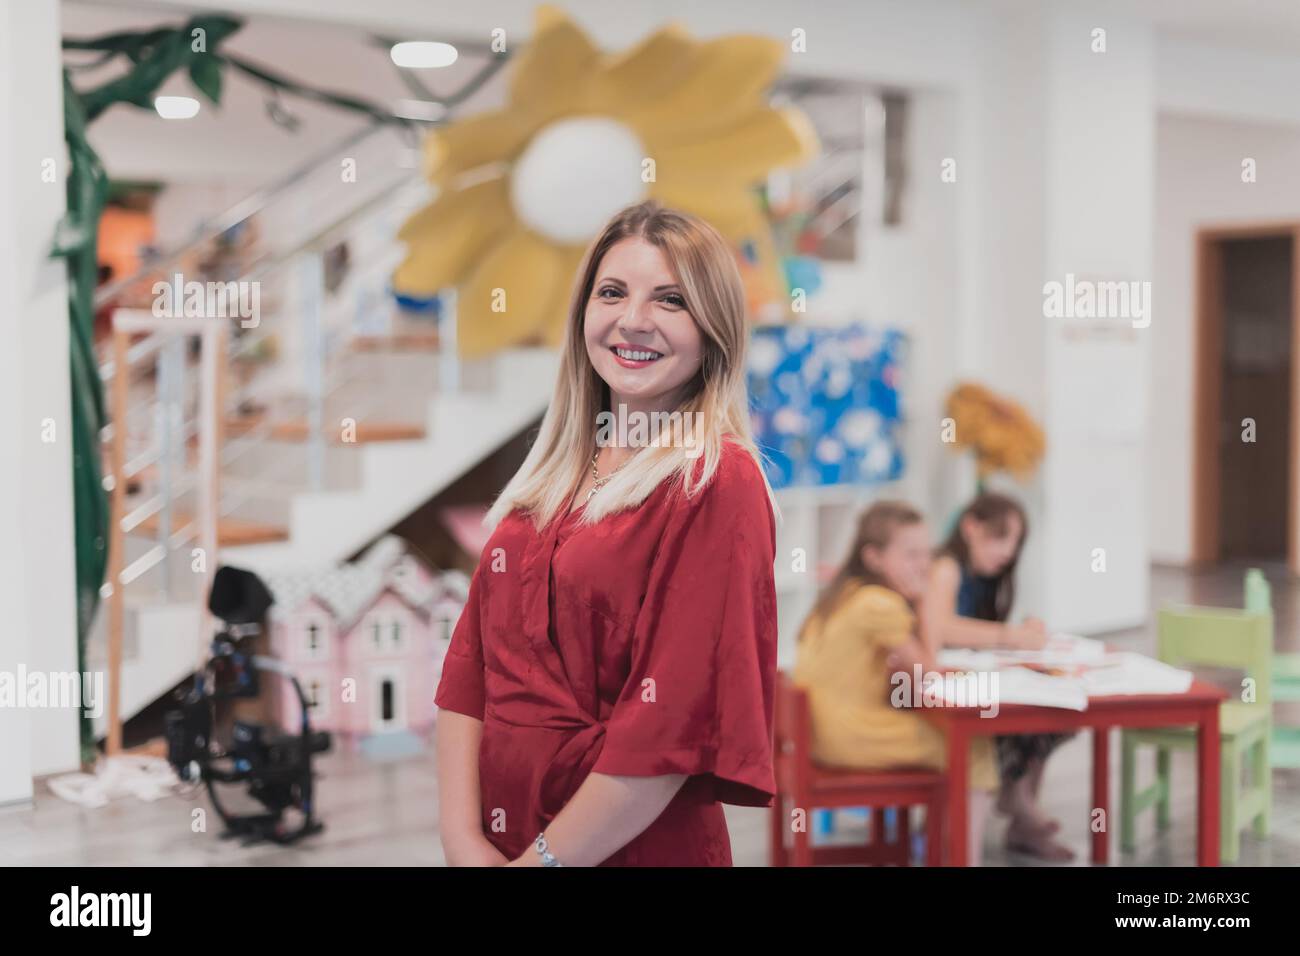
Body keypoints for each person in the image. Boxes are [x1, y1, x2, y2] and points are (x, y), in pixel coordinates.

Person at [434, 200, 779, 867]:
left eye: (671, 300)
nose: (633, 320)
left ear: (714, 330)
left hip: (627, 848)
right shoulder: (555, 472)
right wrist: (462, 842)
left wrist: (539, 866)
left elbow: (670, 722)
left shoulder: (716, 480)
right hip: (498, 845)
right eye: (612, 292)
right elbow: (470, 667)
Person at [793, 501, 997, 865]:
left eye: (927, 554)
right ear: (873, 557)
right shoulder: (880, 604)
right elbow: (928, 672)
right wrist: (922, 601)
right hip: (850, 736)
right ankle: (964, 859)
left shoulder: (845, 594)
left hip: (818, 733)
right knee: (975, 748)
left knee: (950, 737)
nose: (924, 565)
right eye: (910, 554)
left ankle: (936, 844)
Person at [921, 492, 1075, 861]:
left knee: (1057, 716)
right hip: (939, 689)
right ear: (970, 527)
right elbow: (943, 628)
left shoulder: (989, 577)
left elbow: (980, 632)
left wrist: (1022, 630)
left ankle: (1019, 807)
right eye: (999, 537)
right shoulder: (947, 567)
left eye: (1015, 542)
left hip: (971, 679)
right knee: (1025, 720)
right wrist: (1011, 636)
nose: (1007, 551)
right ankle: (1019, 806)